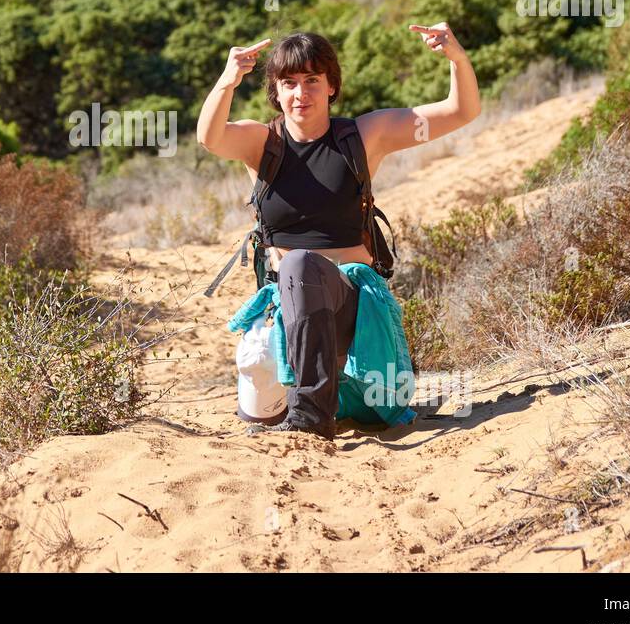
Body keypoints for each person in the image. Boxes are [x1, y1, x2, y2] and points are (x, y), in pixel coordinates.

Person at [196, 26, 481, 438]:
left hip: (353, 308)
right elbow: (210, 137)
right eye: (289, 83)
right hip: (286, 306)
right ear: (276, 92)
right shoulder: (264, 144)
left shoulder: (364, 136)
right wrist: (228, 80)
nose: (301, 93)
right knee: (259, 403)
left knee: (298, 263)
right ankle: (305, 397)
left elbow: (461, 111)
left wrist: (457, 58)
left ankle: (312, 417)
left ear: (332, 86)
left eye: (313, 80)